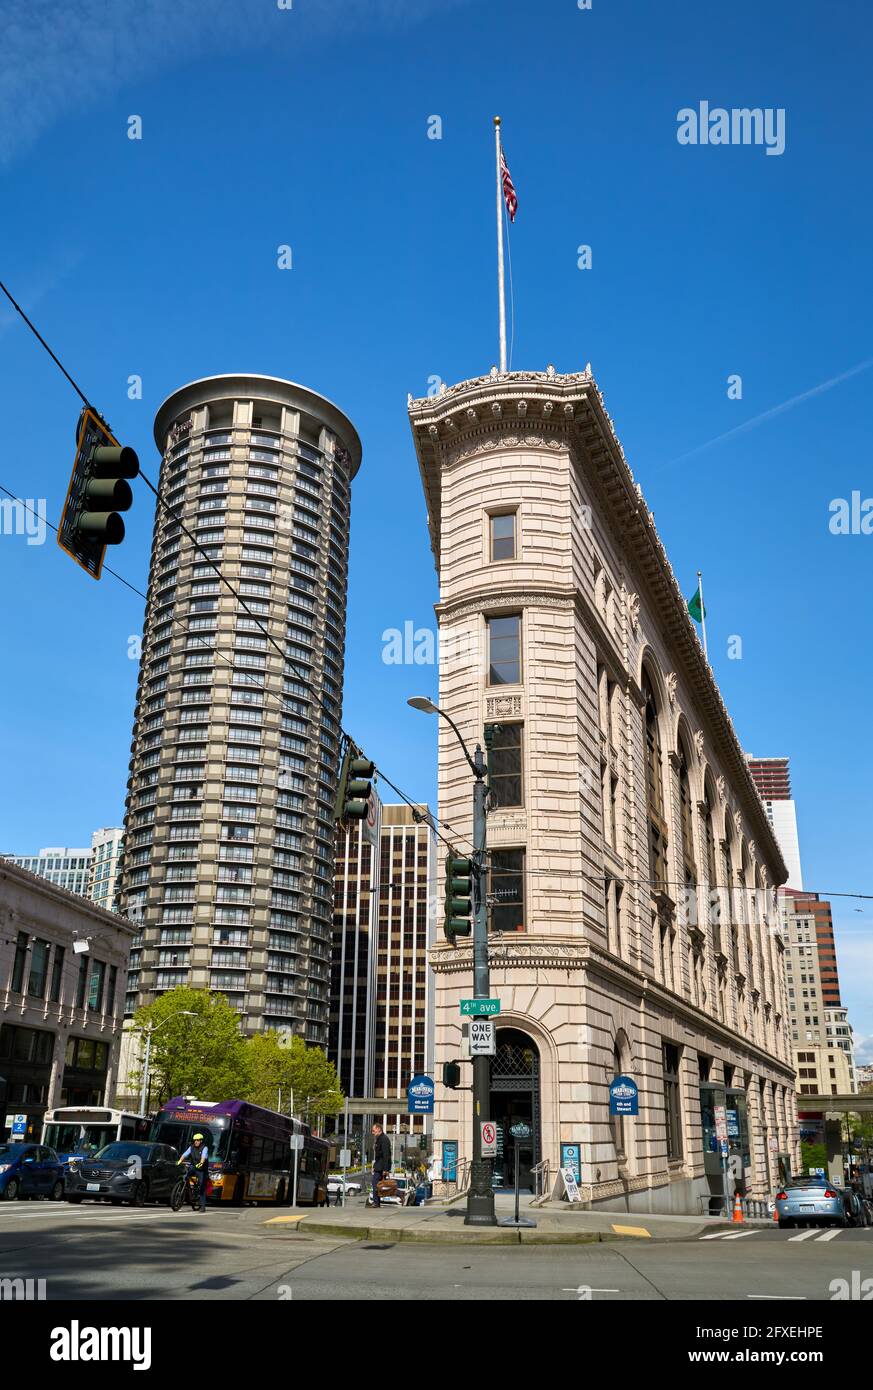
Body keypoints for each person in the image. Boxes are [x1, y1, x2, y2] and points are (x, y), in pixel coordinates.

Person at [178, 1132, 210, 1212]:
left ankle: (202, 1207)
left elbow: (203, 1157)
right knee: (185, 1176)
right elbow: (185, 1154)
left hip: (202, 1169)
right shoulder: (191, 1147)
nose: (196, 1141)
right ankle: (186, 1187)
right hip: (194, 1167)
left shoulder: (204, 1148)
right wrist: (180, 1160)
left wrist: (201, 1163)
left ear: (201, 1141)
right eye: (195, 1140)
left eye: (198, 1140)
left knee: (202, 1187)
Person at [370, 1123, 392, 1207]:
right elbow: (378, 1155)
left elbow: (386, 1155)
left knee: (376, 1183)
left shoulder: (384, 1139)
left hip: (381, 1167)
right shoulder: (379, 1139)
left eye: (373, 1130)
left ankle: (376, 1202)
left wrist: (386, 1169)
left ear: (379, 1129)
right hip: (378, 1166)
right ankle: (376, 1202)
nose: (372, 1132)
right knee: (380, 1185)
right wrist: (374, 1166)